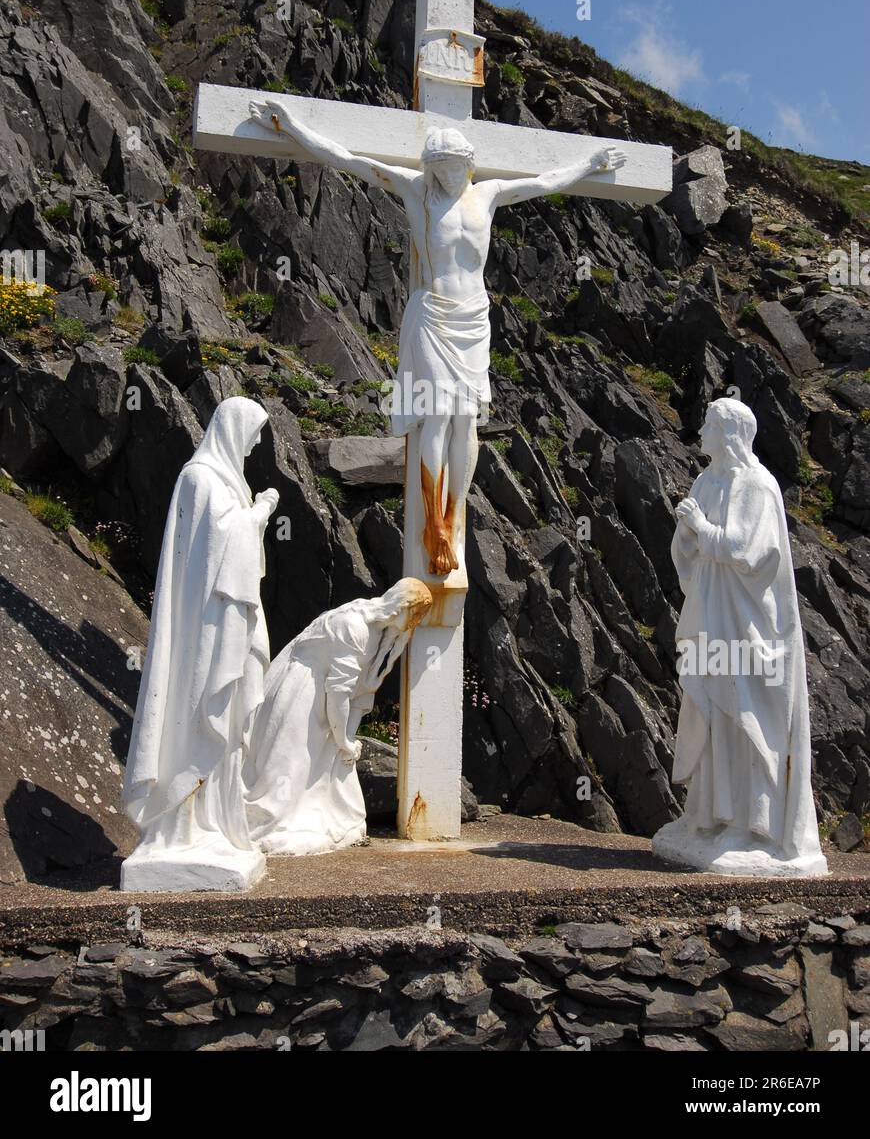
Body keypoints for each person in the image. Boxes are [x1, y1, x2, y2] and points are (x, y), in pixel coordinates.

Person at [249, 97, 624, 576]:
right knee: (437, 418)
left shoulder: (487, 195)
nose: (443, 174)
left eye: (451, 166)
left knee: (467, 422)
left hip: (473, 317)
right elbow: (349, 159)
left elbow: (544, 182)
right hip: (432, 316)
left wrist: (590, 165)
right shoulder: (415, 190)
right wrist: (293, 128)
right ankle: (434, 525)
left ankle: (452, 514)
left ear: (468, 164)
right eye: (437, 166)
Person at [652, 397, 827, 877]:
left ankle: (754, 826)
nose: (701, 432)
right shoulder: (707, 480)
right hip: (712, 616)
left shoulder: (758, 485)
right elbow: (689, 550)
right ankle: (707, 816)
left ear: (729, 433)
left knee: (746, 719)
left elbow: (751, 552)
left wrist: (699, 526)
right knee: (712, 714)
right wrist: (687, 534)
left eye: (708, 424)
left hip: (747, 625)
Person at [121, 398, 279, 891]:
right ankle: (180, 826)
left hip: (229, 623)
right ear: (232, 430)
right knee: (197, 718)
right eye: (252, 434)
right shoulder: (201, 478)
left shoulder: (224, 480)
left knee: (226, 727)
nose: (254, 445)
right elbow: (220, 553)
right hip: (205, 633)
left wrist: (252, 511)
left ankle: (213, 825)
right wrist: (261, 512)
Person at [244, 579, 432, 856]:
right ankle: (272, 823)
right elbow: (339, 692)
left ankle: (316, 814)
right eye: (416, 613)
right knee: (290, 763)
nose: (416, 621)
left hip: (329, 698)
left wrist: (345, 742)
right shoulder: (353, 624)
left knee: (322, 768)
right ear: (401, 605)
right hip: (303, 690)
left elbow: (361, 692)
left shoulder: (382, 634)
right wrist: (343, 739)